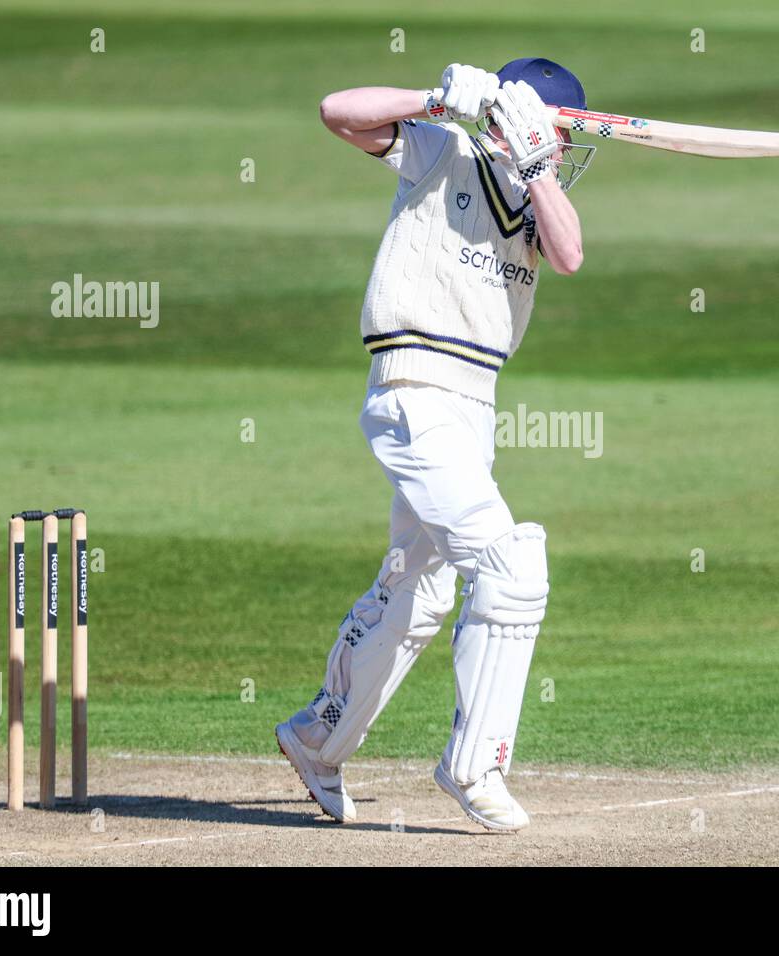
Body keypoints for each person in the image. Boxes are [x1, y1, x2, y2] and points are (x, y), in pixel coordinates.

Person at [276, 59, 595, 831]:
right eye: (559, 131)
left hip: (474, 408)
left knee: (418, 590)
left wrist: (537, 165)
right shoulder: (440, 151)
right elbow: (334, 108)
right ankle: (473, 765)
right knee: (512, 566)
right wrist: (442, 97)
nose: (560, 146)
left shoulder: (531, 186)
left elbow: (570, 253)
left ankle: (318, 736)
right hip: (413, 391)